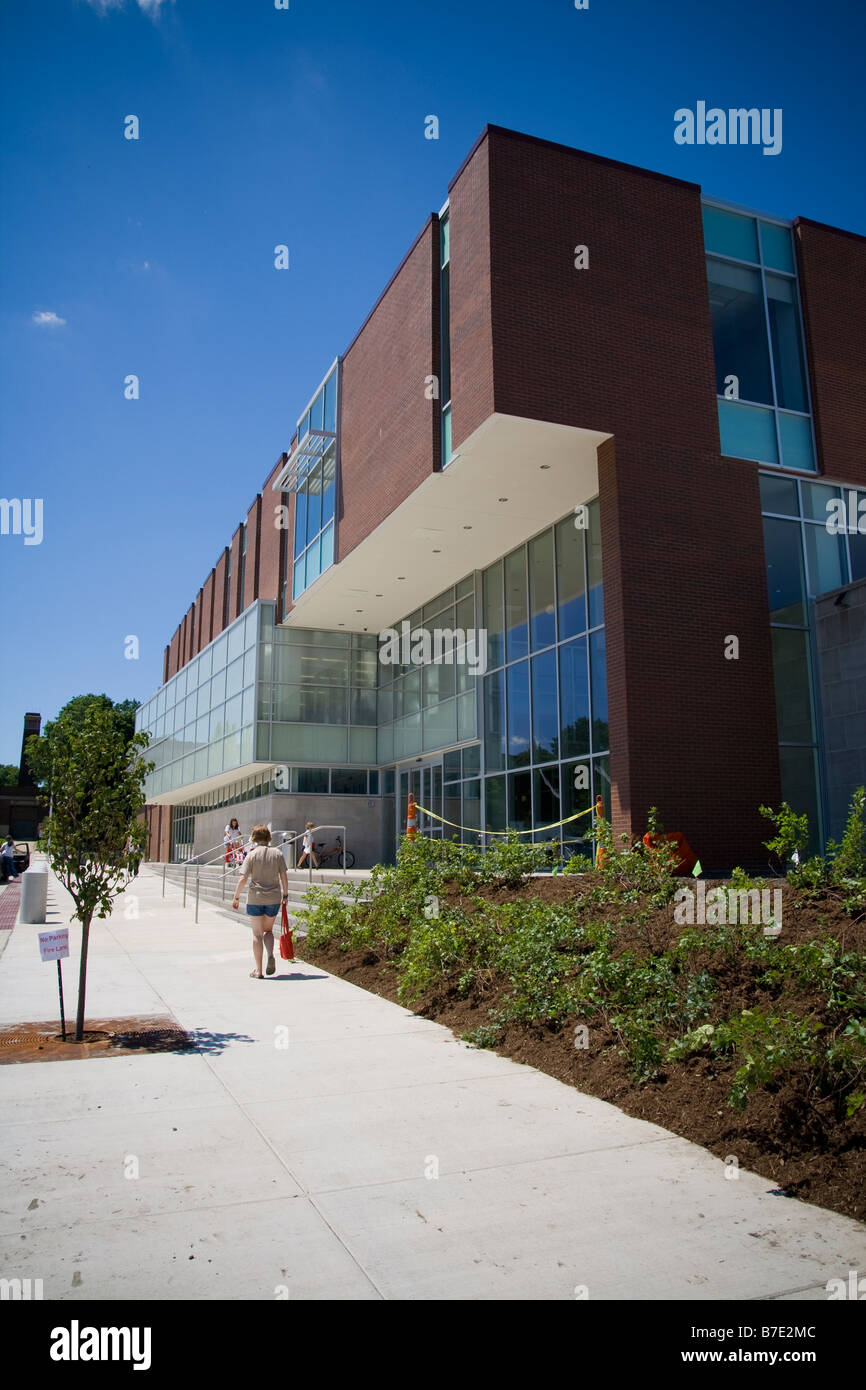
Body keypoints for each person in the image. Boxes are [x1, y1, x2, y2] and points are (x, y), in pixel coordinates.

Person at [231, 824, 289, 978]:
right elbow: (284, 876)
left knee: (257, 935)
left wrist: (236, 897)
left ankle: (259, 970)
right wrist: (286, 895)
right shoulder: (277, 853)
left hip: (255, 898)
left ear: (254, 838)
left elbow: (243, 878)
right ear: (268, 837)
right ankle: (270, 954)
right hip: (273, 898)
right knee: (268, 931)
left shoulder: (251, 854)